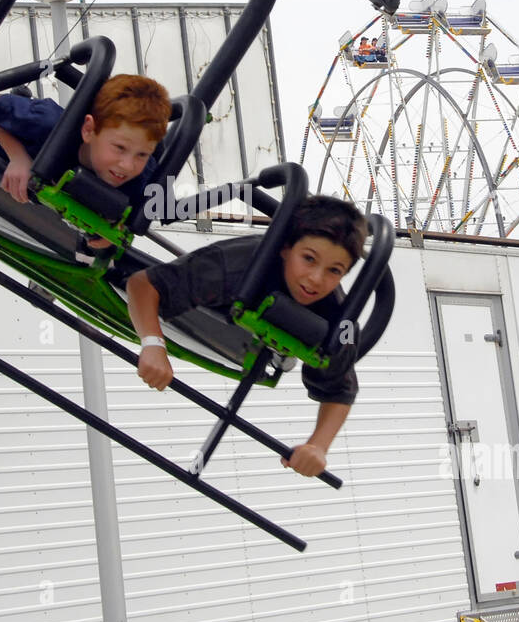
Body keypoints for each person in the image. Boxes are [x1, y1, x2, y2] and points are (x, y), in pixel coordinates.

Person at [125, 195, 368, 477]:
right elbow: (142, 284)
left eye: (334, 271)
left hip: (242, 334)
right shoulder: (239, 264)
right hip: (199, 304)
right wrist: (153, 343)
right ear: (286, 248)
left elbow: (340, 390)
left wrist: (318, 447)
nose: (315, 278)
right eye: (309, 259)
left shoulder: (338, 320)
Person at [0, 73, 171, 215]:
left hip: (38, 223)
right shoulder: (49, 125)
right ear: (89, 130)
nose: (128, 165)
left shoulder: (142, 179)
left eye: (142, 154)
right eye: (120, 148)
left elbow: (129, 220)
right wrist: (17, 157)